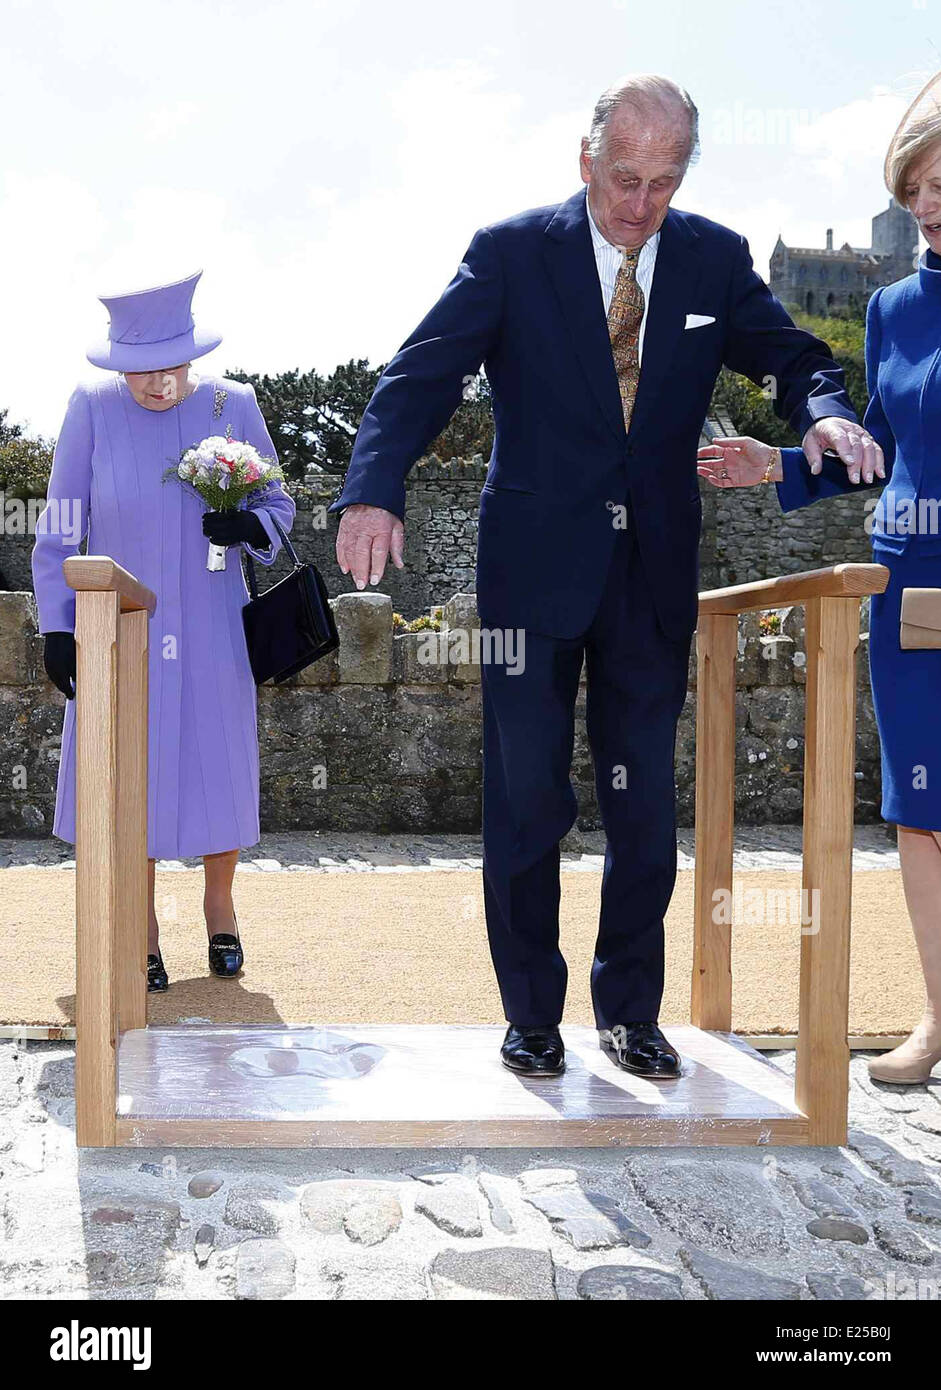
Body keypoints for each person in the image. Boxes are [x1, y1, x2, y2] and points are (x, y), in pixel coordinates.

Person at [330, 74, 870, 1079]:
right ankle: (530, 1014)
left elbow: (790, 356)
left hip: (650, 574)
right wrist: (372, 490)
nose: (639, 203)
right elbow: (419, 374)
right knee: (527, 796)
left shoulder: (711, 257)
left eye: (662, 182)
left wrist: (819, 414)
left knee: (638, 806)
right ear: (585, 160)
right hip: (532, 575)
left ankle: (629, 1011)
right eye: (623, 177)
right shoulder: (508, 255)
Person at [698, 74, 941, 1086]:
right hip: (906, 583)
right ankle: (938, 1019)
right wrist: (779, 463)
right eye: (913, 184)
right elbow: (876, 447)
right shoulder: (889, 308)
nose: (925, 201)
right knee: (917, 803)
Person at [31, 270, 296, 992]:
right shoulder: (89, 407)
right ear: (117, 366)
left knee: (219, 765)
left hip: (212, 622)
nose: (158, 385)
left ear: (192, 353)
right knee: (128, 771)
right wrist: (59, 623)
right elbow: (60, 523)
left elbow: (278, 502)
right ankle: (141, 927)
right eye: (141, 371)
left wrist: (251, 523)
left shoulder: (229, 401)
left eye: (170, 367)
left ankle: (220, 907)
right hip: (118, 626)